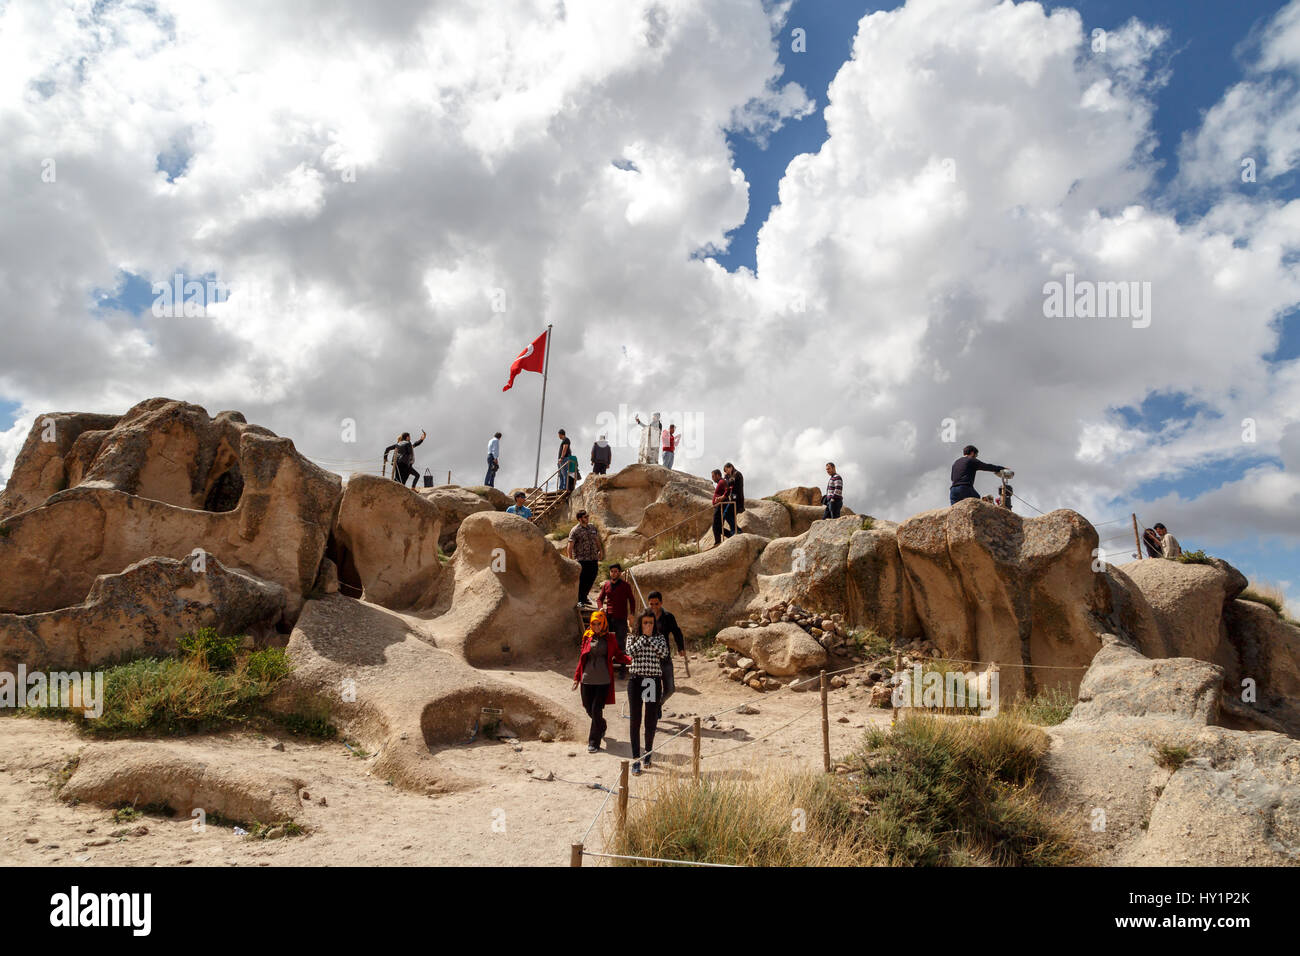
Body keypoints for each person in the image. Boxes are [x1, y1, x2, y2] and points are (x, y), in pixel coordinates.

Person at [571, 610, 630, 754]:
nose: (596, 626)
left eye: (599, 623)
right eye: (593, 624)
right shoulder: (587, 636)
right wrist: (577, 677)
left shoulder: (610, 638)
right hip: (587, 678)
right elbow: (582, 658)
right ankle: (602, 725)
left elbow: (618, 655)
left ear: (603, 623)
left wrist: (631, 660)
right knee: (588, 707)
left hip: (603, 680)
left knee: (597, 710)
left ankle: (594, 742)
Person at [625, 610, 668, 775]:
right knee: (635, 720)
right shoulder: (632, 637)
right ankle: (636, 759)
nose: (648, 626)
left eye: (651, 623)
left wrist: (651, 639)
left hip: (651, 682)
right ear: (640, 623)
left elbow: (664, 654)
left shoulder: (659, 638)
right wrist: (644, 637)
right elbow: (630, 653)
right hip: (636, 681)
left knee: (650, 720)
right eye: (645, 623)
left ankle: (648, 754)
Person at [646, 590, 685, 702]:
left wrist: (680, 647)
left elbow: (676, 632)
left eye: (656, 604)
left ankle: (658, 705)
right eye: (651, 604)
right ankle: (651, 712)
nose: (654, 606)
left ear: (661, 603)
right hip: (650, 659)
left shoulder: (668, 617)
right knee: (650, 690)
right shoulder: (645, 616)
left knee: (670, 689)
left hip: (665, 657)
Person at [568, 510, 604, 607]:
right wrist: (570, 560)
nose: (587, 518)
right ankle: (580, 599)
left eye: (587, 516)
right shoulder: (575, 530)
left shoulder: (592, 527)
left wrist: (600, 550)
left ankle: (584, 596)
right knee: (582, 580)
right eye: (585, 517)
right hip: (581, 559)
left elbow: (596, 539)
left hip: (593, 558)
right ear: (580, 519)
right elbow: (570, 545)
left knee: (592, 577)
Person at [597, 563, 637, 646]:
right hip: (609, 618)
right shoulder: (606, 585)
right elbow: (599, 599)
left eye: (615, 571)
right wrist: (600, 608)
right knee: (609, 641)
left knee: (620, 642)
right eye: (612, 571)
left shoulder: (626, 586)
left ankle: (620, 658)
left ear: (619, 573)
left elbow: (632, 600)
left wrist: (632, 613)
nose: (613, 573)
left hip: (621, 619)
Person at [709, 468, 731, 547]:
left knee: (715, 526)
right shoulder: (720, 482)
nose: (712, 478)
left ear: (718, 475)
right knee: (717, 526)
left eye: (713, 476)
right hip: (719, 506)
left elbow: (728, 490)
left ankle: (718, 542)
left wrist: (722, 497)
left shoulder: (722, 481)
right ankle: (730, 536)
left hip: (721, 506)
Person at [724, 462, 744, 534]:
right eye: (725, 471)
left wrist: (726, 478)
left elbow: (730, 483)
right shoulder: (734, 475)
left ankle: (737, 530)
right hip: (734, 498)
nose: (726, 472)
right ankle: (735, 531)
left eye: (727, 470)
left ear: (731, 467)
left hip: (737, 499)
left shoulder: (736, 474)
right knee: (730, 515)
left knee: (726, 514)